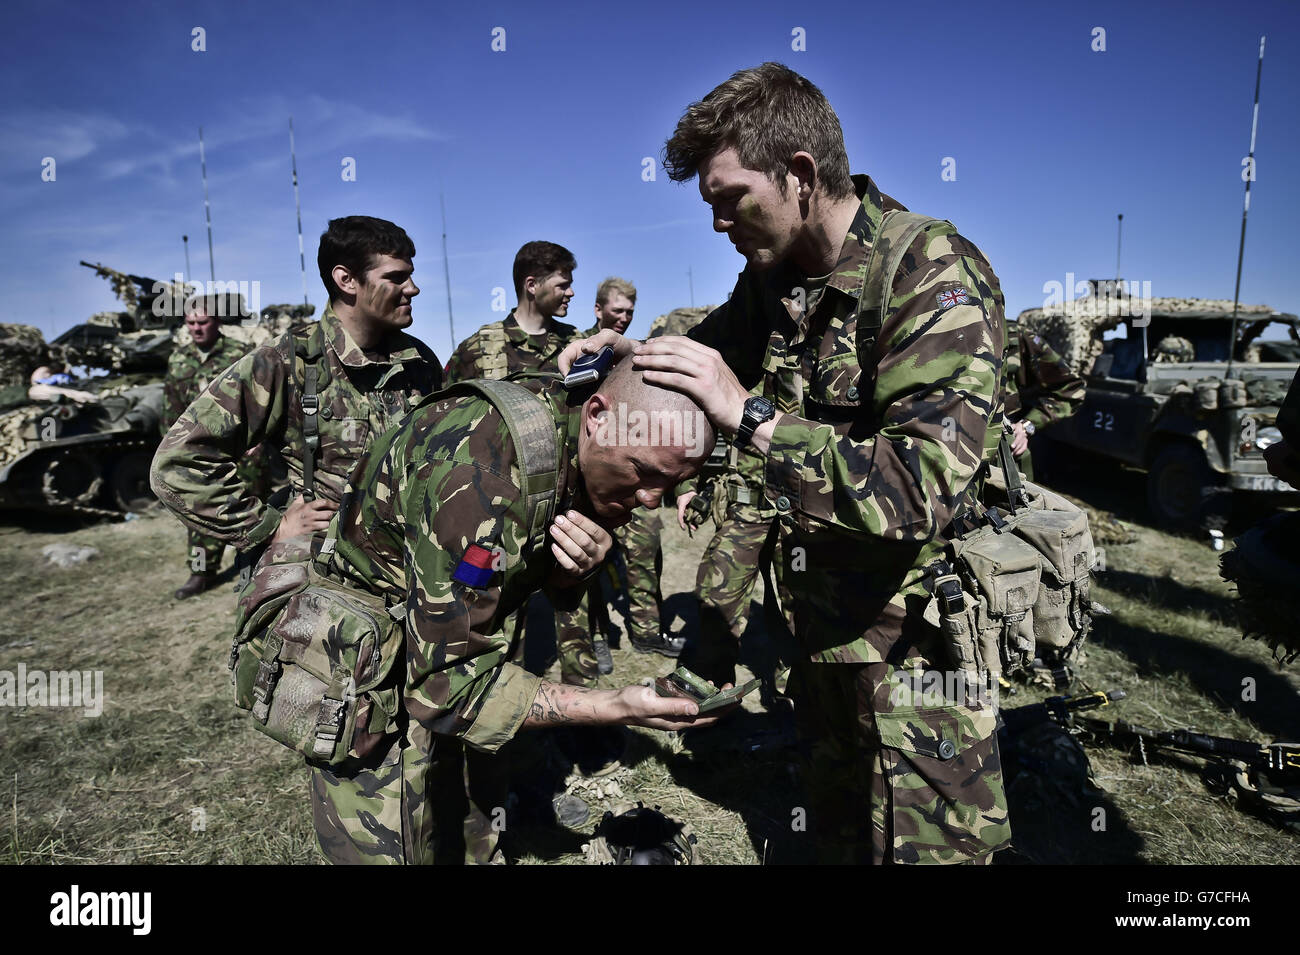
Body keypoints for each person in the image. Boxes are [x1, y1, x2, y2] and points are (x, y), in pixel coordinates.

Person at [562, 62, 1011, 864]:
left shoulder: (927, 270)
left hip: (916, 646)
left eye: (728, 199)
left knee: (933, 848)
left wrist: (754, 417)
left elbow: (924, 487)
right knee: (839, 832)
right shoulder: (778, 282)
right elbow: (711, 351)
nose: (718, 223)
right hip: (823, 631)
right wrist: (635, 355)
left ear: (799, 174)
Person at [269, 361, 719, 863]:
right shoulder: (482, 481)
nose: (652, 501)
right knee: (387, 844)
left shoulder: (566, 431)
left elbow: (513, 571)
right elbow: (447, 687)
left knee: (470, 823)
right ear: (597, 415)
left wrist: (573, 572)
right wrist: (617, 705)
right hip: (367, 670)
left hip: (447, 640)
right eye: (644, 472)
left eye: (673, 482)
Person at [151, 216, 443, 559]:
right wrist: (270, 527)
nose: (412, 288)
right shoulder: (287, 361)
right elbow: (177, 463)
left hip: (419, 556)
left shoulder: (419, 361)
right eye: (395, 277)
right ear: (346, 280)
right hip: (336, 565)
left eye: (410, 275)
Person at [444, 242, 604, 684]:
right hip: (494, 512)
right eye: (563, 283)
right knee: (486, 602)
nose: (571, 292)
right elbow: (445, 423)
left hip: (566, 504)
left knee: (573, 604)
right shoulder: (480, 348)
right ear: (531, 285)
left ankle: (584, 700)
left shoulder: (578, 347)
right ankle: (490, 702)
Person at [161, 296, 264, 598]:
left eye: (202, 322)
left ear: (217, 322)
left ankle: (253, 569)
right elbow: (171, 407)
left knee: (248, 506)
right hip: (199, 447)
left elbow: (259, 399)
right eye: (191, 323)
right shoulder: (178, 359)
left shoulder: (240, 353)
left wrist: (257, 439)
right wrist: (172, 447)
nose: (196, 328)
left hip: (241, 447)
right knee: (200, 509)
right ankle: (200, 573)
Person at [1002, 322, 1086, 480]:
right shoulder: (942, 325)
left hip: (1001, 461)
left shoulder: (1015, 335)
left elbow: (1072, 389)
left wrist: (1027, 426)